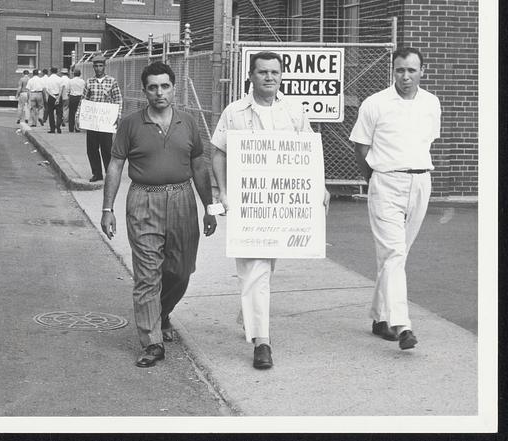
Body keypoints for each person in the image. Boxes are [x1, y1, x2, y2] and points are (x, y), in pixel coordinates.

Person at [211, 51, 327, 370]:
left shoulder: (293, 111)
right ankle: (262, 341)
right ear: (251, 75)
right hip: (247, 202)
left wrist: (320, 187)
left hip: (280, 205)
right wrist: (222, 191)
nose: (269, 77)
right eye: (262, 72)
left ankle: (248, 313)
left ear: (281, 75)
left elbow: (308, 153)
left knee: (264, 267)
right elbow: (217, 152)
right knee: (256, 267)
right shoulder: (234, 111)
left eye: (275, 72)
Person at [101, 61, 217, 367]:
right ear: (145, 91)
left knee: (180, 271)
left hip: (182, 199)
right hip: (143, 200)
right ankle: (151, 342)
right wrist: (107, 208)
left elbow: (199, 167)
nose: (159, 92)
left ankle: (162, 312)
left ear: (173, 88)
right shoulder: (130, 124)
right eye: (152, 87)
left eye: (164, 86)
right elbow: (115, 165)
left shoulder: (189, 122)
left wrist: (209, 208)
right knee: (147, 275)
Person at [349, 46, 441, 351]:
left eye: (411, 70)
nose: (405, 76)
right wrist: (374, 179)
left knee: (396, 256)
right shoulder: (375, 104)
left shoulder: (430, 103)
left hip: (420, 182)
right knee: (393, 254)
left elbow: (427, 142)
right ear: (393, 71)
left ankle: (378, 317)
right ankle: (402, 325)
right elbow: (360, 148)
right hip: (385, 181)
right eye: (400, 69)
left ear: (421, 71)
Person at [78, 52, 122, 182]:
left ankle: (109, 173)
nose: (98, 68)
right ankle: (97, 173)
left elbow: (118, 99)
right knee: (92, 148)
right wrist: (78, 116)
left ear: (104, 66)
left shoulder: (111, 81)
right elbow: (83, 100)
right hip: (92, 121)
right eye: (96, 66)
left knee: (107, 148)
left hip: (106, 121)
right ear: (93, 67)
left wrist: (117, 116)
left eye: (100, 66)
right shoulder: (89, 82)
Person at [45, 66, 65, 134]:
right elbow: (62, 89)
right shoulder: (60, 79)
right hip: (58, 96)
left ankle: (52, 129)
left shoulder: (48, 79)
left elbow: (46, 90)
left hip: (51, 97)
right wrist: (58, 98)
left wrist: (53, 96)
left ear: (50, 71)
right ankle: (58, 126)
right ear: (57, 71)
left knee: (51, 113)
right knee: (59, 113)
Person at [67, 68, 86, 132]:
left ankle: (71, 128)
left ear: (73, 74)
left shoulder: (70, 81)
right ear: (80, 74)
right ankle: (77, 127)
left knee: (71, 113)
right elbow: (84, 90)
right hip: (80, 97)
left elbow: (68, 90)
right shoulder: (83, 81)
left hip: (72, 97)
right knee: (79, 113)